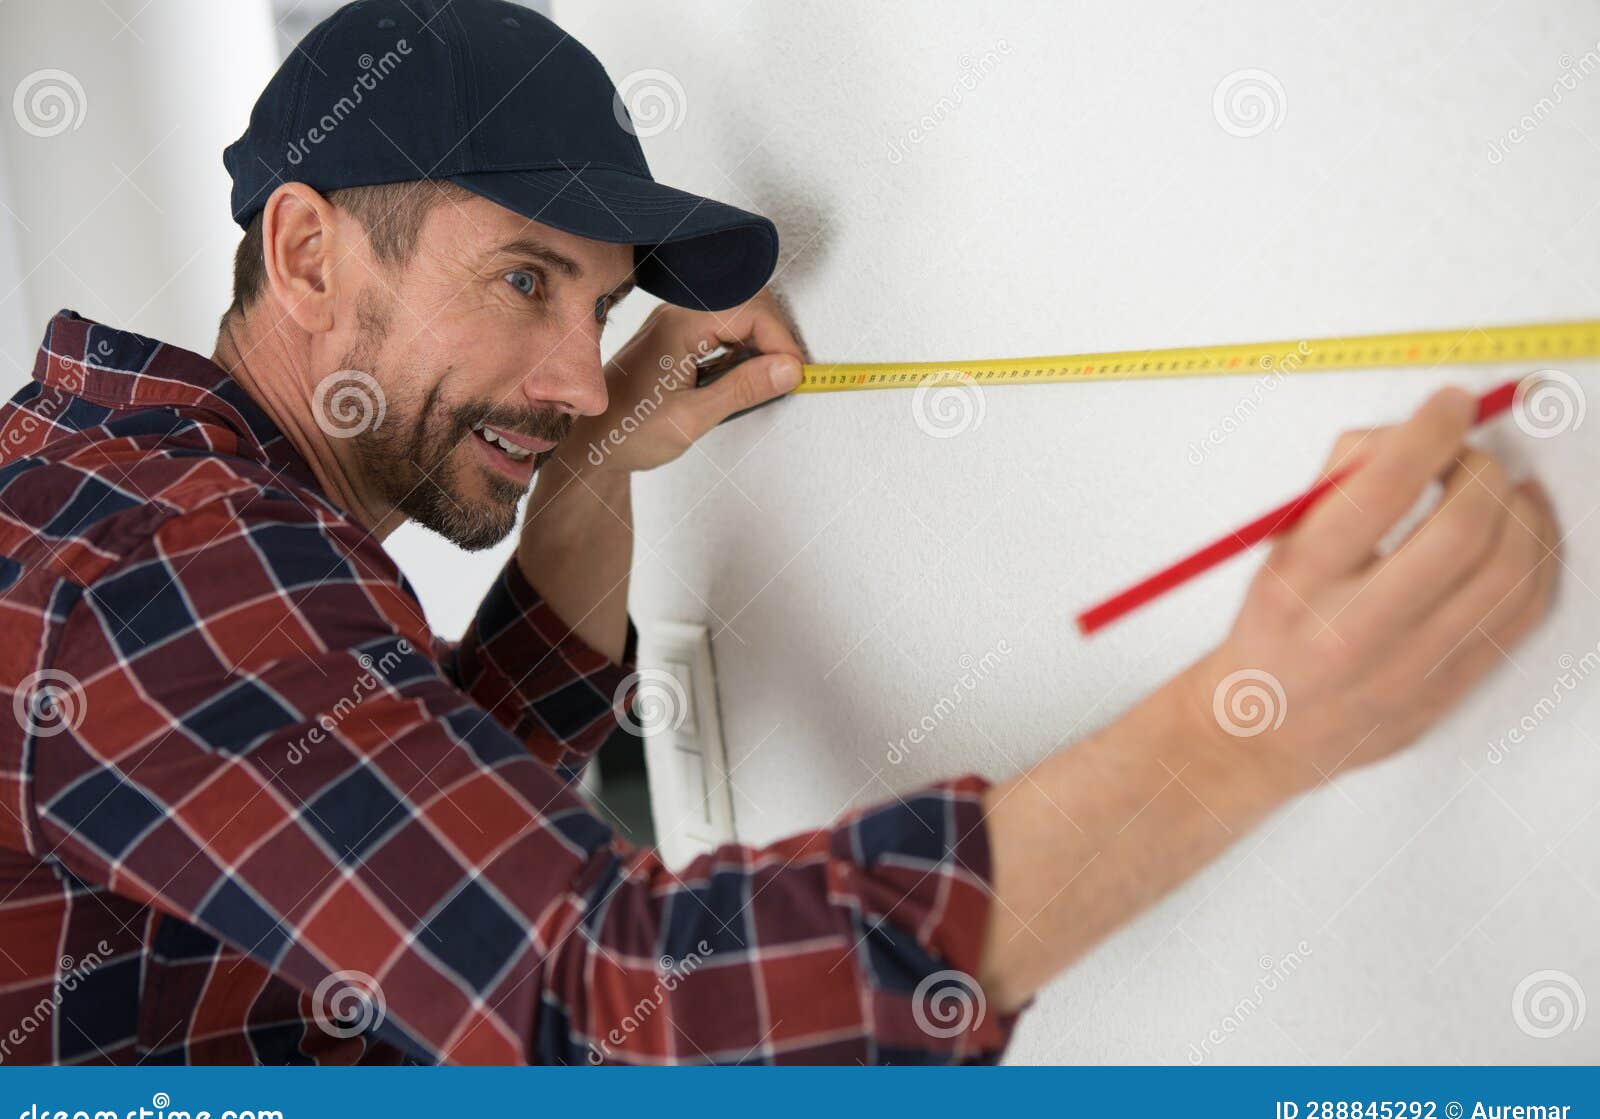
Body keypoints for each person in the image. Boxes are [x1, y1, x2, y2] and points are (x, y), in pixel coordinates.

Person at [0, 0, 1558, 1065]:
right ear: (306, 252)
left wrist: (589, 478)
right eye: (526, 280)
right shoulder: (174, 569)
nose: (576, 376)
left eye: (600, 307)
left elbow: (391, 852)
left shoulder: (115, 487)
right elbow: (608, 1014)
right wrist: (1251, 734)